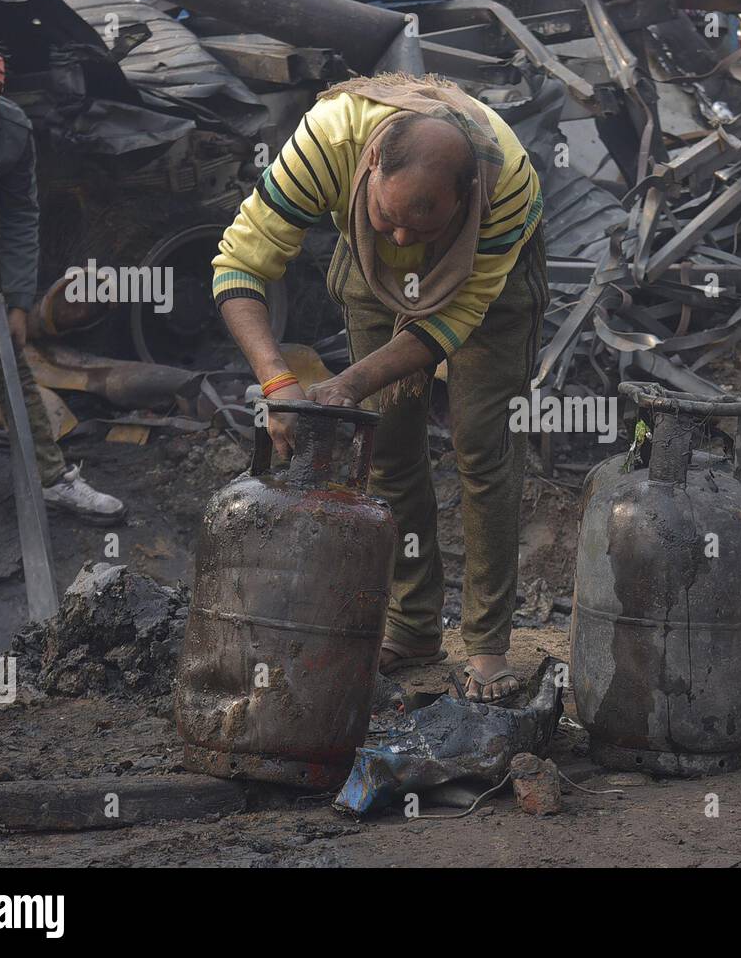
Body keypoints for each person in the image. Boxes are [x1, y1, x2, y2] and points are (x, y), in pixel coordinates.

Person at [214, 74, 545, 703]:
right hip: (364, 272)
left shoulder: (508, 185)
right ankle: (415, 625)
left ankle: (488, 649)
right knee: (385, 446)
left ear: (465, 195)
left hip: (484, 287)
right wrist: (279, 382)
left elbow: (450, 322)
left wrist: (347, 383)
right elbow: (239, 264)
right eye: (388, 217)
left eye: (419, 230)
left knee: (483, 447)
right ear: (367, 168)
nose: (400, 241)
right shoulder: (327, 140)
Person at [0, 39, 126, 591]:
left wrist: (15, 301)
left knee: (11, 365)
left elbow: (19, 215)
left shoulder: (11, 131)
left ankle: (52, 477)